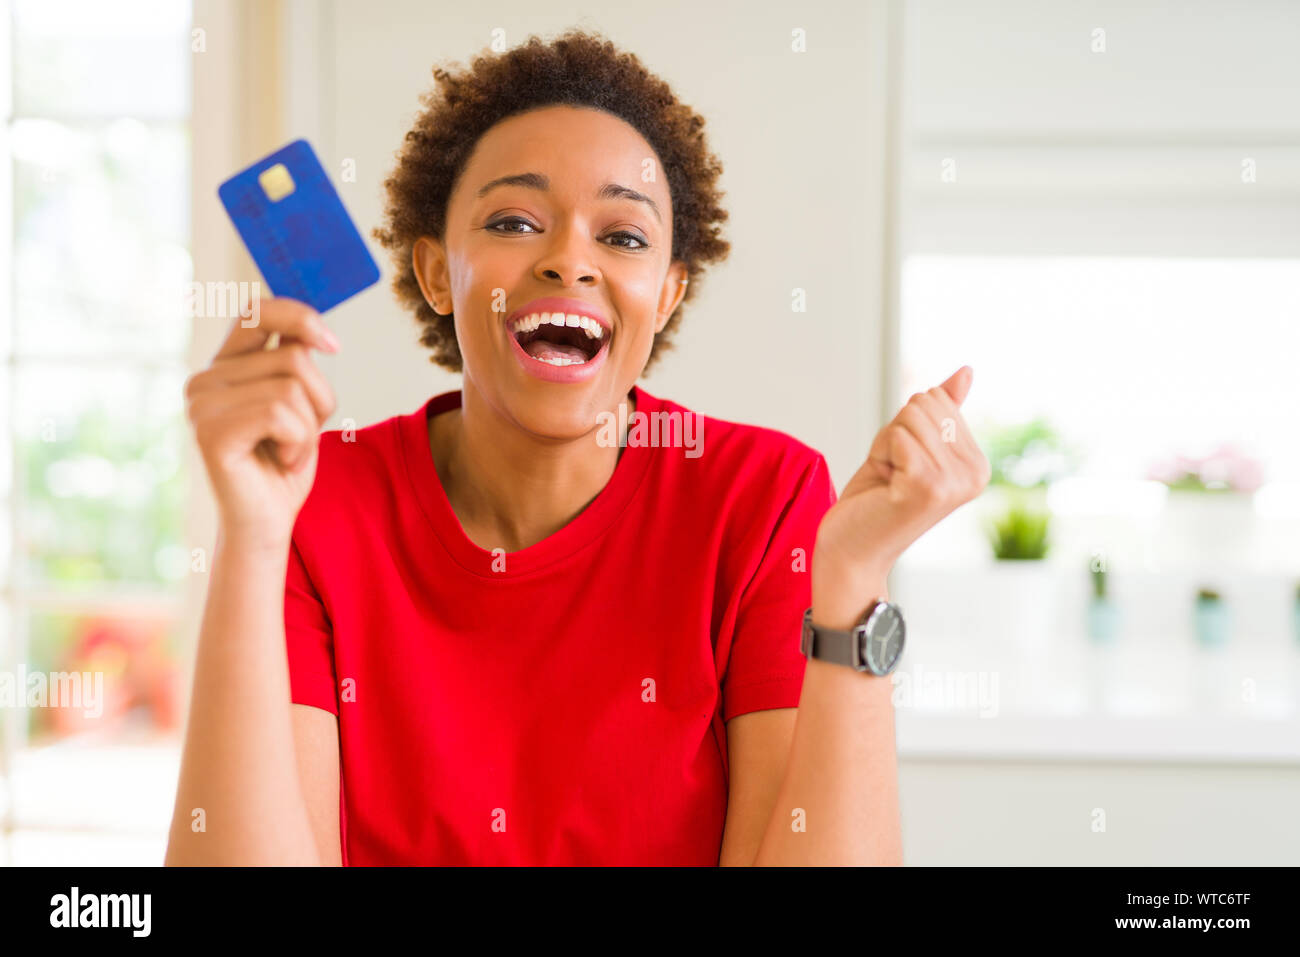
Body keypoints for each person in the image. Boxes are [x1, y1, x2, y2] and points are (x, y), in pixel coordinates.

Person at [166, 28, 988, 866]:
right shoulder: (314, 496)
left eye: (624, 237)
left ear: (668, 292)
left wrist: (851, 583)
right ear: (436, 272)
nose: (568, 260)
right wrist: (252, 539)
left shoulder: (766, 497)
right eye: (515, 221)